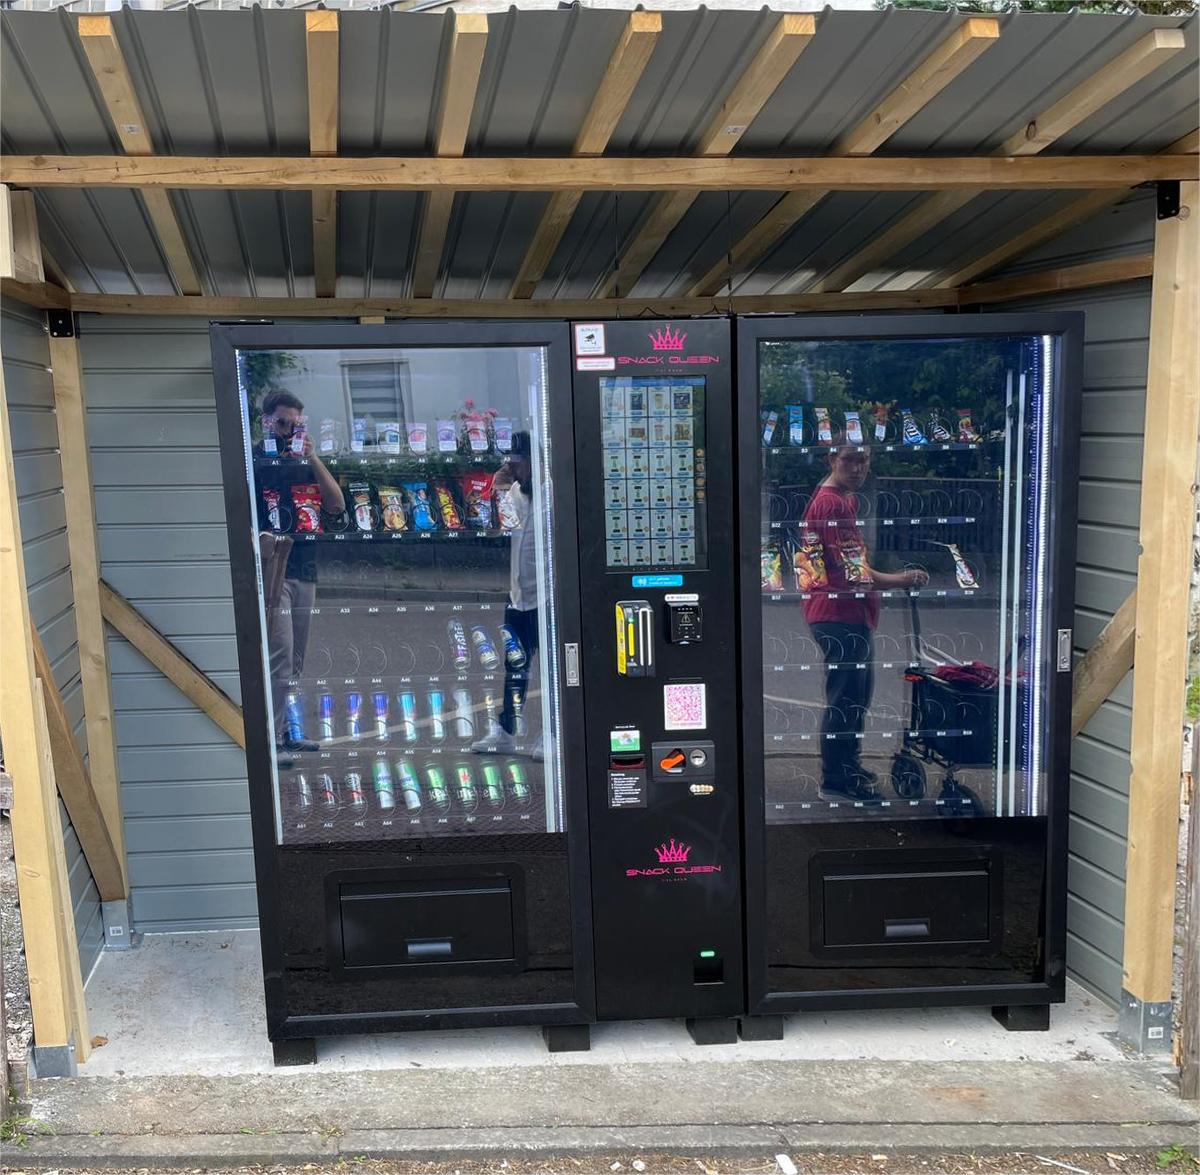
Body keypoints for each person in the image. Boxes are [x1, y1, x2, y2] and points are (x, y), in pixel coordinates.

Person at [801, 439, 926, 802]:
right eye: (849, 461)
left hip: (846, 613)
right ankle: (836, 781)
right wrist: (902, 580)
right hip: (838, 615)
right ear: (831, 460)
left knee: (855, 696)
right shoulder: (831, 504)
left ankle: (847, 765)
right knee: (846, 699)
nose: (857, 469)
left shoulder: (842, 500)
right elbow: (856, 573)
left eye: (863, 461)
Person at [254, 389, 345, 755]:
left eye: (295, 424)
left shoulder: (305, 458)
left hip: (306, 566)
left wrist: (313, 457)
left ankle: (290, 731)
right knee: (281, 653)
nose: (288, 430)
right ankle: (274, 738)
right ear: (267, 421)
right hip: (275, 568)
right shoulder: (256, 458)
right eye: (282, 422)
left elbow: (336, 503)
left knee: (295, 660)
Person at [472, 430, 543, 762]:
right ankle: (505, 732)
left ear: (533, 461)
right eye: (511, 462)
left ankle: (553, 733)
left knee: (553, 671)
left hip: (548, 596)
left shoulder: (554, 493)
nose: (513, 468)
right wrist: (497, 486)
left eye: (518, 462)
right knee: (515, 665)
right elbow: (492, 528)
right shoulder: (514, 492)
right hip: (518, 596)